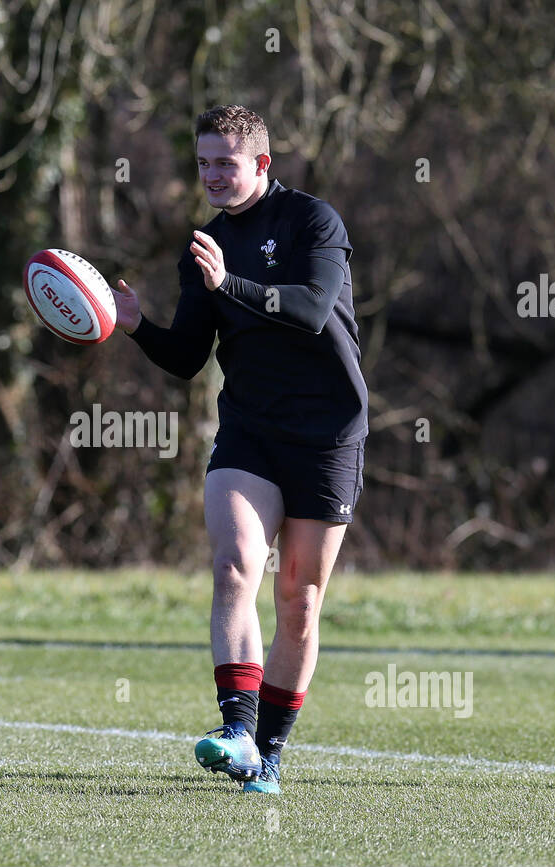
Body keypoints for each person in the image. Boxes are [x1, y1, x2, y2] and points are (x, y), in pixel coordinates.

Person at [111, 105, 368, 795]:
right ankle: (236, 731)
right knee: (233, 569)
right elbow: (190, 357)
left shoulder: (314, 222)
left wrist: (230, 285)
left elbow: (313, 310)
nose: (213, 176)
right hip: (250, 430)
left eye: (226, 162)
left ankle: (270, 755)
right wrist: (137, 327)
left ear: (261, 163)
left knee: (300, 601)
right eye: (203, 164)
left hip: (327, 432)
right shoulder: (203, 246)